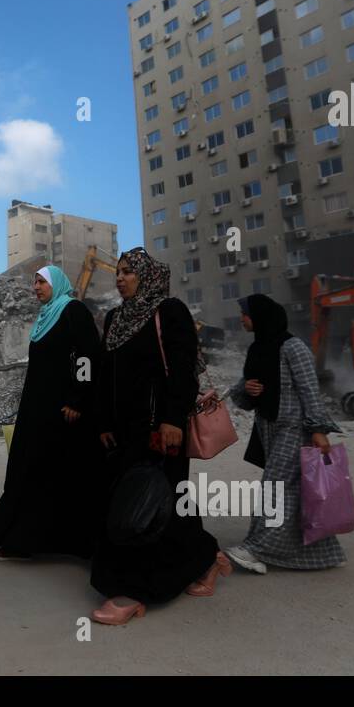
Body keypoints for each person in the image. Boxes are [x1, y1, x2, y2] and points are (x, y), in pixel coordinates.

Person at [89, 248, 228, 626]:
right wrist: (102, 421)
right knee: (154, 505)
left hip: (159, 431)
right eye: (117, 272)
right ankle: (206, 556)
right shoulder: (116, 318)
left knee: (145, 506)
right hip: (122, 432)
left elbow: (183, 371)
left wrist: (172, 420)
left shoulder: (169, 312)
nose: (120, 278)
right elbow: (105, 374)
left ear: (148, 276)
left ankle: (131, 590)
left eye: (129, 272)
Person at [0, 264, 104, 560]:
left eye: (41, 282)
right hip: (38, 409)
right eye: (34, 282)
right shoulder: (46, 316)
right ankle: (24, 538)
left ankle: (25, 541)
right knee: (30, 470)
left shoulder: (73, 310)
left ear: (56, 283)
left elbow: (87, 357)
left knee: (47, 472)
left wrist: (78, 400)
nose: (35, 287)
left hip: (62, 411)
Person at [225, 294, 346, 574]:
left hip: (294, 428)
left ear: (260, 315)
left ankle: (258, 550)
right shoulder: (257, 349)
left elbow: (308, 389)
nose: (242, 318)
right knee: (290, 491)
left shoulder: (293, 347)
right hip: (268, 428)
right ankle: (320, 553)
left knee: (275, 486)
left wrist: (318, 429)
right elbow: (243, 394)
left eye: (245, 314)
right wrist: (249, 390)